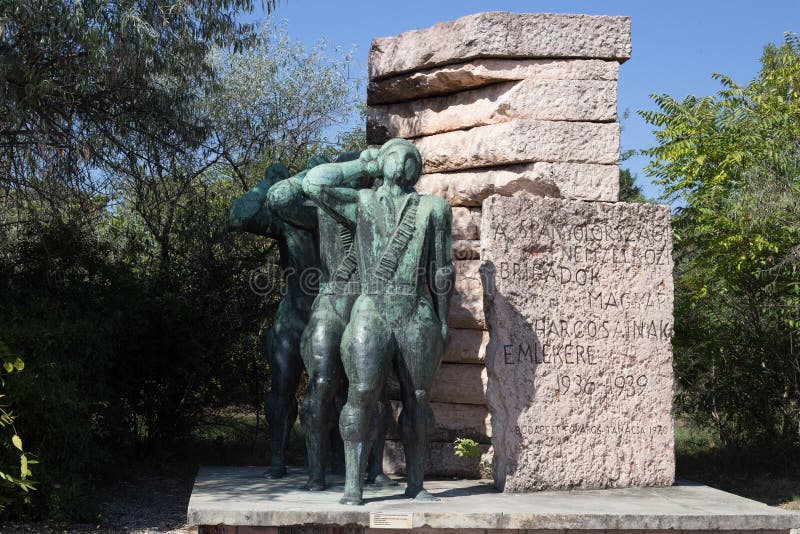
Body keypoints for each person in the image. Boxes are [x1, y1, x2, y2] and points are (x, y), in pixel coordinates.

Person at [304, 139, 454, 505]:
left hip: (416, 309)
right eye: (394, 154)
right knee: (361, 392)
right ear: (382, 162)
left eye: (410, 157)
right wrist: (362, 166)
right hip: (371, 307)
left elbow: (442, 268)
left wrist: (443, 318)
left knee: (418, 398)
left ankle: (416, 483)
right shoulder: (362, 202)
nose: (402, 161)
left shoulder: (435, 207)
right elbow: (314, 184)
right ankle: (353, 485)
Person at [268, 151, 395, 491]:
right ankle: (315, 473)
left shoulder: (380, 207)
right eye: (343, 177)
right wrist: (356, 165)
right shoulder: (321, 211)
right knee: (321, 384)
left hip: (369, 303)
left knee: (375, 390)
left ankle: (374, 470)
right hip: (332, 302)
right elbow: (278, 196)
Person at [229, 161, 319, 479]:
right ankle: (278, 458)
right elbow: (240, 216)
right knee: (282, 386)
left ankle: (334, 464)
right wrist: (268, 184)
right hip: (295, 312)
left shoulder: (343, 216)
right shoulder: (289, 221)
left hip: (334, 310)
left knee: (337, 391)